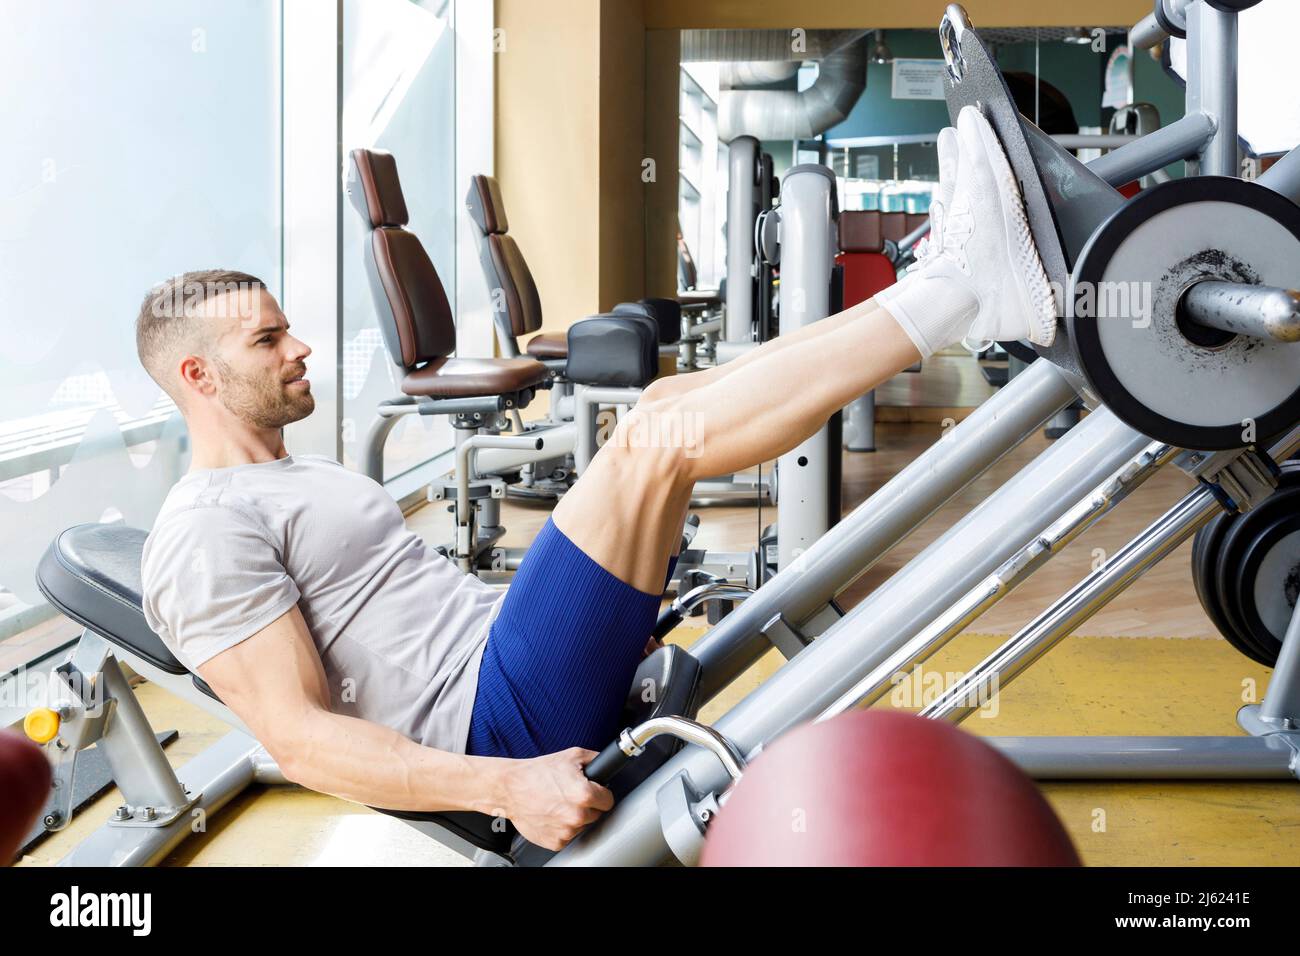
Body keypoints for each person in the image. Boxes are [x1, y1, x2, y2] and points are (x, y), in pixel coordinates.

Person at [138, 107, 1056, 851]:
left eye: (287, 326)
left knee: (673, 398)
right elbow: (298, 741)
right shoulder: (202, 532)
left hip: (502, 652)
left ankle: (955, 286)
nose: (300, 347)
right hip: (494, 724)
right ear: (197, 377)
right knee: (656, 435)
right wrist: (506, 788)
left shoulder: (293, 477)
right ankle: (961, 290)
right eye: (268, 340)